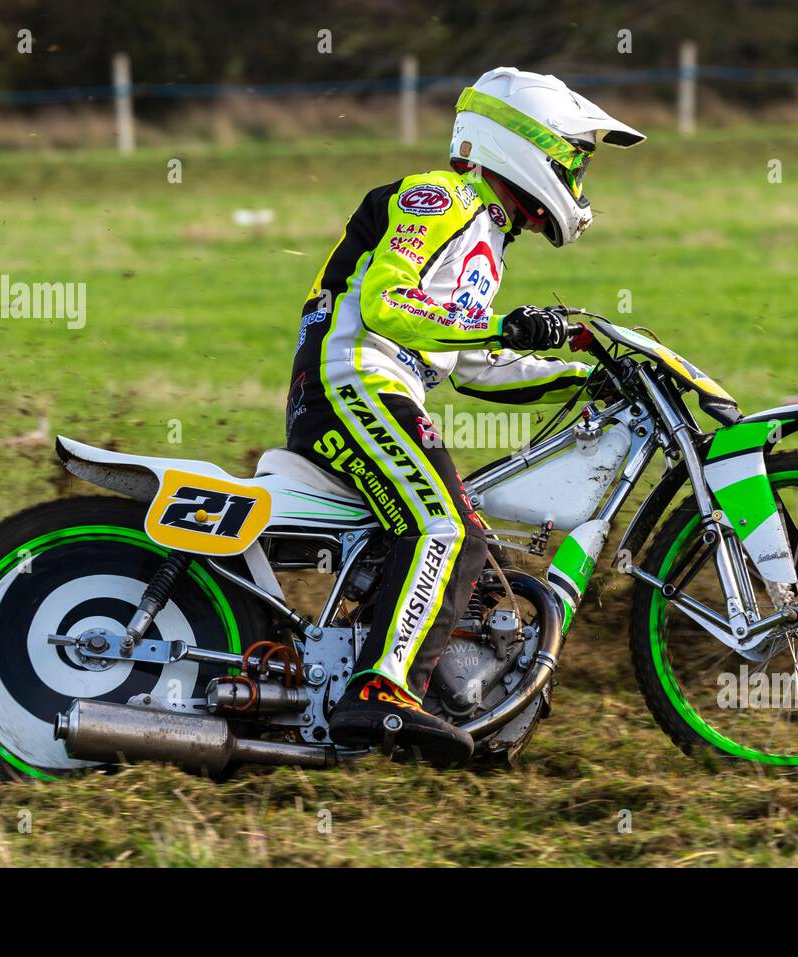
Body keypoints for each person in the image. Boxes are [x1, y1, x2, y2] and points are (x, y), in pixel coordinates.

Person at [285, 66, 644, 762]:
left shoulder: (486, 235)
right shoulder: (441, 197)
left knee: (468, 537)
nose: (576, 178)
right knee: (444, 525)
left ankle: (435, 697)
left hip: (377, 389)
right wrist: (508, 326)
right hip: (353, 383)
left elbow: (477, 363)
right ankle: (380, 692)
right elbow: (391, 305)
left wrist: (588, 373)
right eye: (573, 157)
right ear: (521, 144)